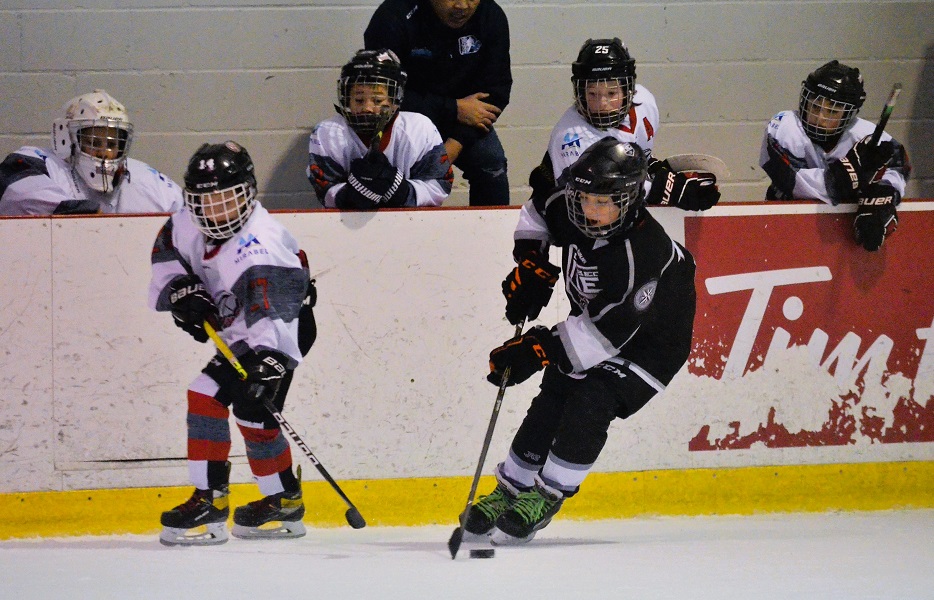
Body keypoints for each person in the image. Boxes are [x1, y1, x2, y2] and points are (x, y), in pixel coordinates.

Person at [463, 137, 697, 545]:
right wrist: (531, 260)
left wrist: (538, 349)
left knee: (592, 399)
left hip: (651, 346)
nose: (591, 210)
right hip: (598, 324)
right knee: (554, 392)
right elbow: (538, 212)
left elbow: (606, 335)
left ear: (629, 202)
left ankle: (548, 494)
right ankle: (510, 488)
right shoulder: (576, 206)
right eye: (585, 198)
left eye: (604, 202)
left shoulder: (642, 253)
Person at [149, 141, 316, 546]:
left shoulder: (260, 244)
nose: (215, 211)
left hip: (280, 332)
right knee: (208, 397)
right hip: (238, 329)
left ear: (247, 194)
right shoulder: (186, 221)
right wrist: (182, 291)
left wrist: (268, 363)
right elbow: (167, 252)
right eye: (205, 201)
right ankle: (244, 499)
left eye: (226, 199)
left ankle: (276, 501)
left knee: (252, 412)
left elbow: (274, 312)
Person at [530, 38, 719, 212]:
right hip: (580, 219)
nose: (602, 104)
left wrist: (652, 167)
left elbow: (634, 156)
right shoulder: (570, 137)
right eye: (593, 94)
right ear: (580, 93)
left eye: (611, 94)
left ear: (628, 90)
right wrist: (669, 189)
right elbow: (600, 192)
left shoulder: (645, 104)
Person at [364, 0, 512, 206]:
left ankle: (493, 236)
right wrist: (453, 108)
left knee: (491, 164)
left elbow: (496, 91)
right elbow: (379, 94)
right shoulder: (393, 17)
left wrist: (454, 145)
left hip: (465, 120)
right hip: (403, 117)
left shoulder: (491, 16)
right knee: (385, 174)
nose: (462, 5)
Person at [760, 60, 911, 251]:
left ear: (850, 114)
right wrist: (849, 176)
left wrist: (880, 195)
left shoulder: (865, 134)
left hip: (839, 236)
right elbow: (792, 182)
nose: (820, 117)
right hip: (783, 229)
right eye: (814, 107)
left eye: (832, 111)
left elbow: (899, 164)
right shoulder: (784, 126)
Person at [307, 48, 453, 209]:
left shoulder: (419, 128)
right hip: (347, 227)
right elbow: (325, 190)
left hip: (411, 225)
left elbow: (439, 185)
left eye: (377, 100)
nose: (367, 108)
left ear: (394, 100)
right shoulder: (328, 132)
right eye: (359, 99)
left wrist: (402, 191)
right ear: (347, 99)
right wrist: (349, 195)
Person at [0, 89, 183, 216]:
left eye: (112, 144)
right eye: (94, 142)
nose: (104, 153)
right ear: (68, 138)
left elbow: (188, 215)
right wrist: (86, 214)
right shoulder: (42, 164)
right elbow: (17, 191)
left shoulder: (144, 179)